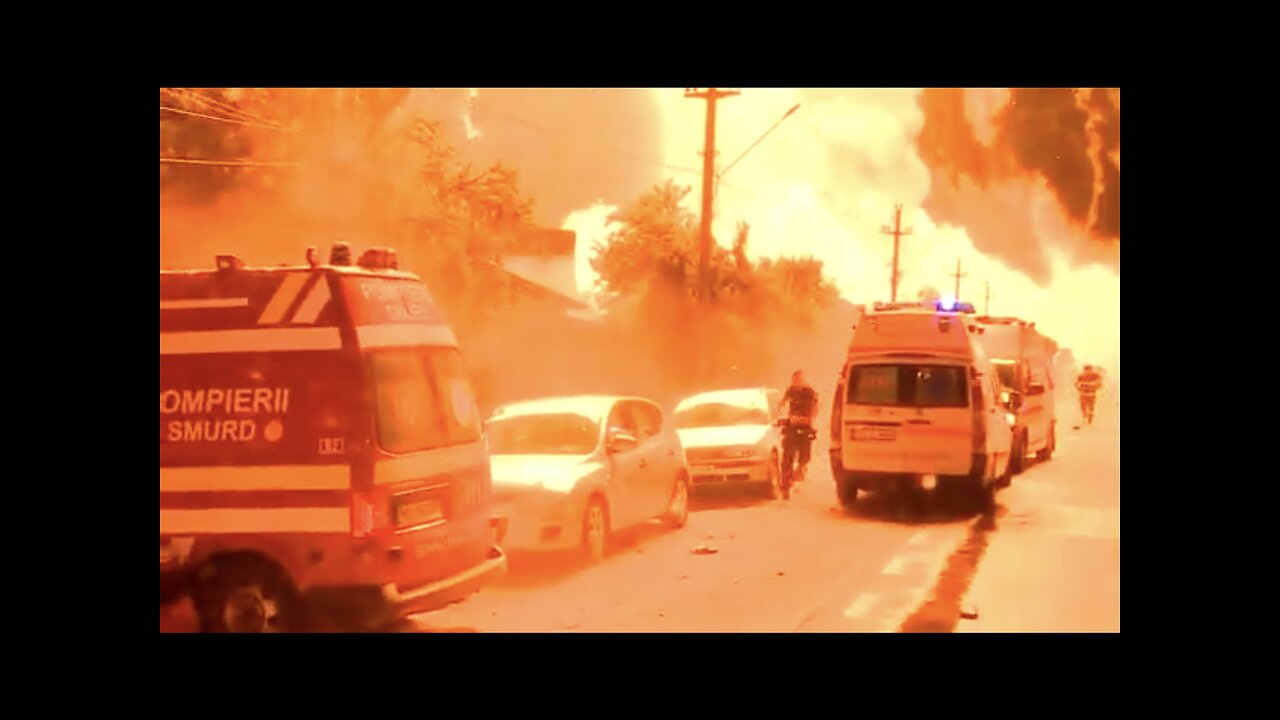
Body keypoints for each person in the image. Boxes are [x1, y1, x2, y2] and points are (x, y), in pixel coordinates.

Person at [776, 370, 820, 489]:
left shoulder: (809, 392)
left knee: (805, 454)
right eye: (794, 380)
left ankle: (800, 468)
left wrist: (811, 418)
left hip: (805, 426)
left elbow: (815, 406)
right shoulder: (791, 390)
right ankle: (786, 480)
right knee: (787, 455)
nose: (795, 382)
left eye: (798, 379)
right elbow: (782, 404)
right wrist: (780, 416)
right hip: (792, 425)